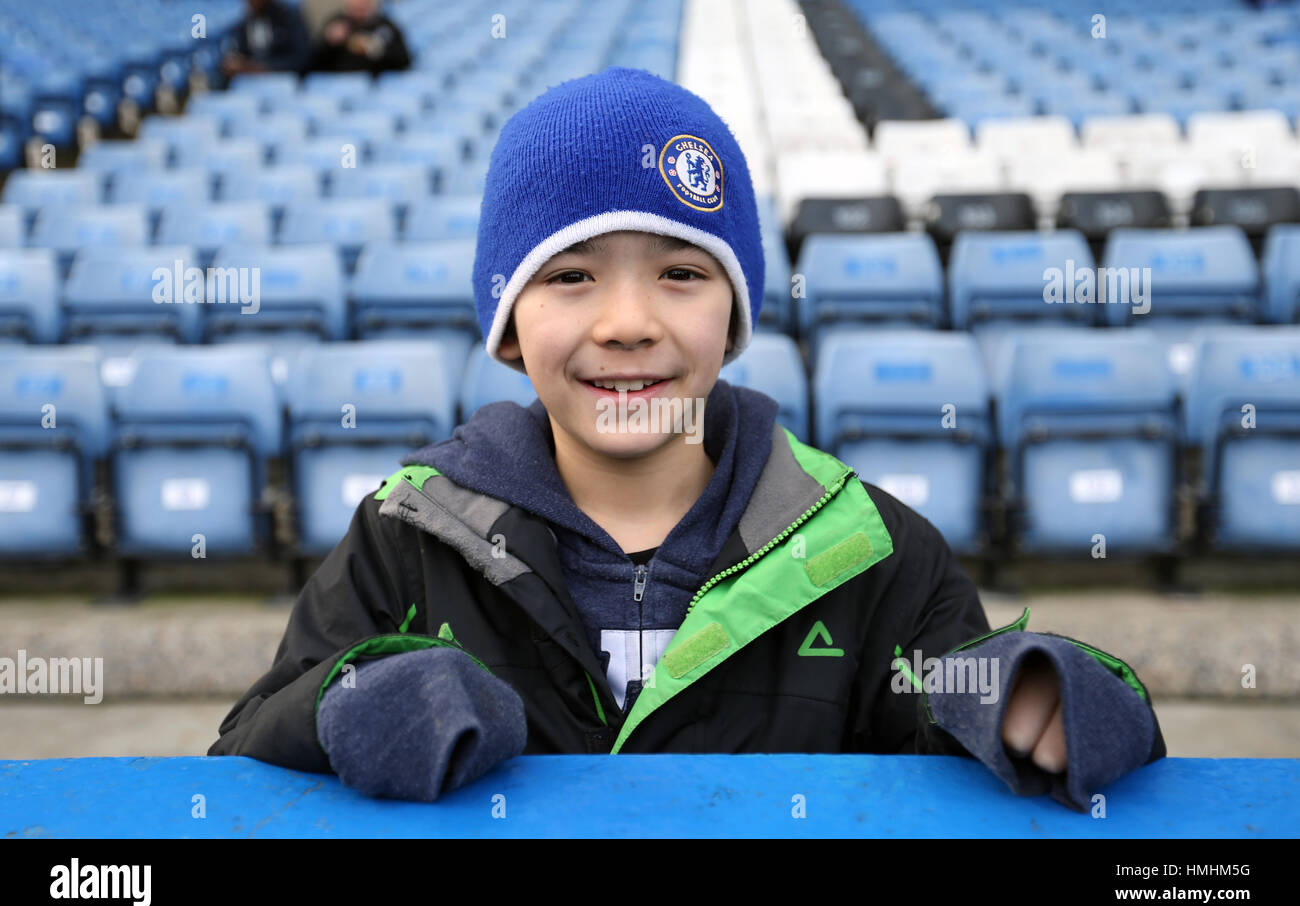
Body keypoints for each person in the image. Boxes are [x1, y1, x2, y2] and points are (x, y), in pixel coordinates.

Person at [209, 67, 1166, 812]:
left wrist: (1031, 693)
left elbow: (949, 706)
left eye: (679, 273)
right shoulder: (407, 535)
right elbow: (246, 748)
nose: (628, 322)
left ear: (734, 316)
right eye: (571, 277)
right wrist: (357, 698)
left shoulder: (865, 547)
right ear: (507, 329)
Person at [311, 0, 411, 74]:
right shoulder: (336, 24)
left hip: (374, 85)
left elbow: (404, 61)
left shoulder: (385, 26)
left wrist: (377, 50)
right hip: (338, 81)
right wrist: (329, 42)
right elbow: (314, 61)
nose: (360, 4)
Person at [220, 0, 312, 78]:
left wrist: (265, 68)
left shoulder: (288, 16)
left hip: (284, 79)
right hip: (249, 81)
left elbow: (302, 58)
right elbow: (238, 53)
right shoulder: (244, 21)